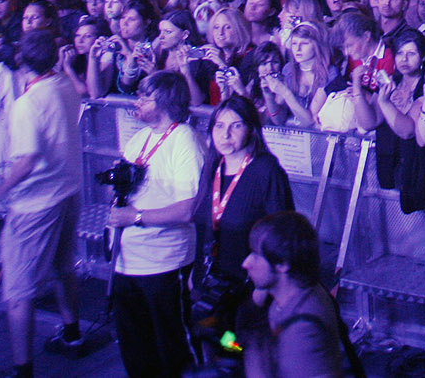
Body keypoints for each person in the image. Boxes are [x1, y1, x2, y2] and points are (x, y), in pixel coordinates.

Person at [0, 29, 85, 377]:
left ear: (21, 59)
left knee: (18, 289)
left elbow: (26, 159)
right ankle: (72, 334)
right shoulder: (65, 86)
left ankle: (22, 369)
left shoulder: (26, 104)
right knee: (63, 266)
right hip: (68, 190)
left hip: (35, 203)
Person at [107, 70, 204, 378]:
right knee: (135, 347)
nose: (136, 101)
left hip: (163, 263)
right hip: (126, 263)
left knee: (173, 346)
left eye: (144, 96)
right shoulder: (139, 138)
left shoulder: (184, 141)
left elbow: (188, 209)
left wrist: (136, 217)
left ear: (164, 101)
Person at [193, 96, 293, 356]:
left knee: (246, 354)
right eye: (219, 125)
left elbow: (282, 238)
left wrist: (262, 290)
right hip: (212, 286)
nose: (225, 134)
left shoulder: (266, 171)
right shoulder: (212, 166)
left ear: (251, 129)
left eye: (236, 126)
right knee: (219, 346)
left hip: (250, 290)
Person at [240, 211, 346, 378]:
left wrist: (253, 357)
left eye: (256, 255)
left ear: (282, 264)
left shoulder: (302, 329)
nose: (246, 263)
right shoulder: (293, 297)